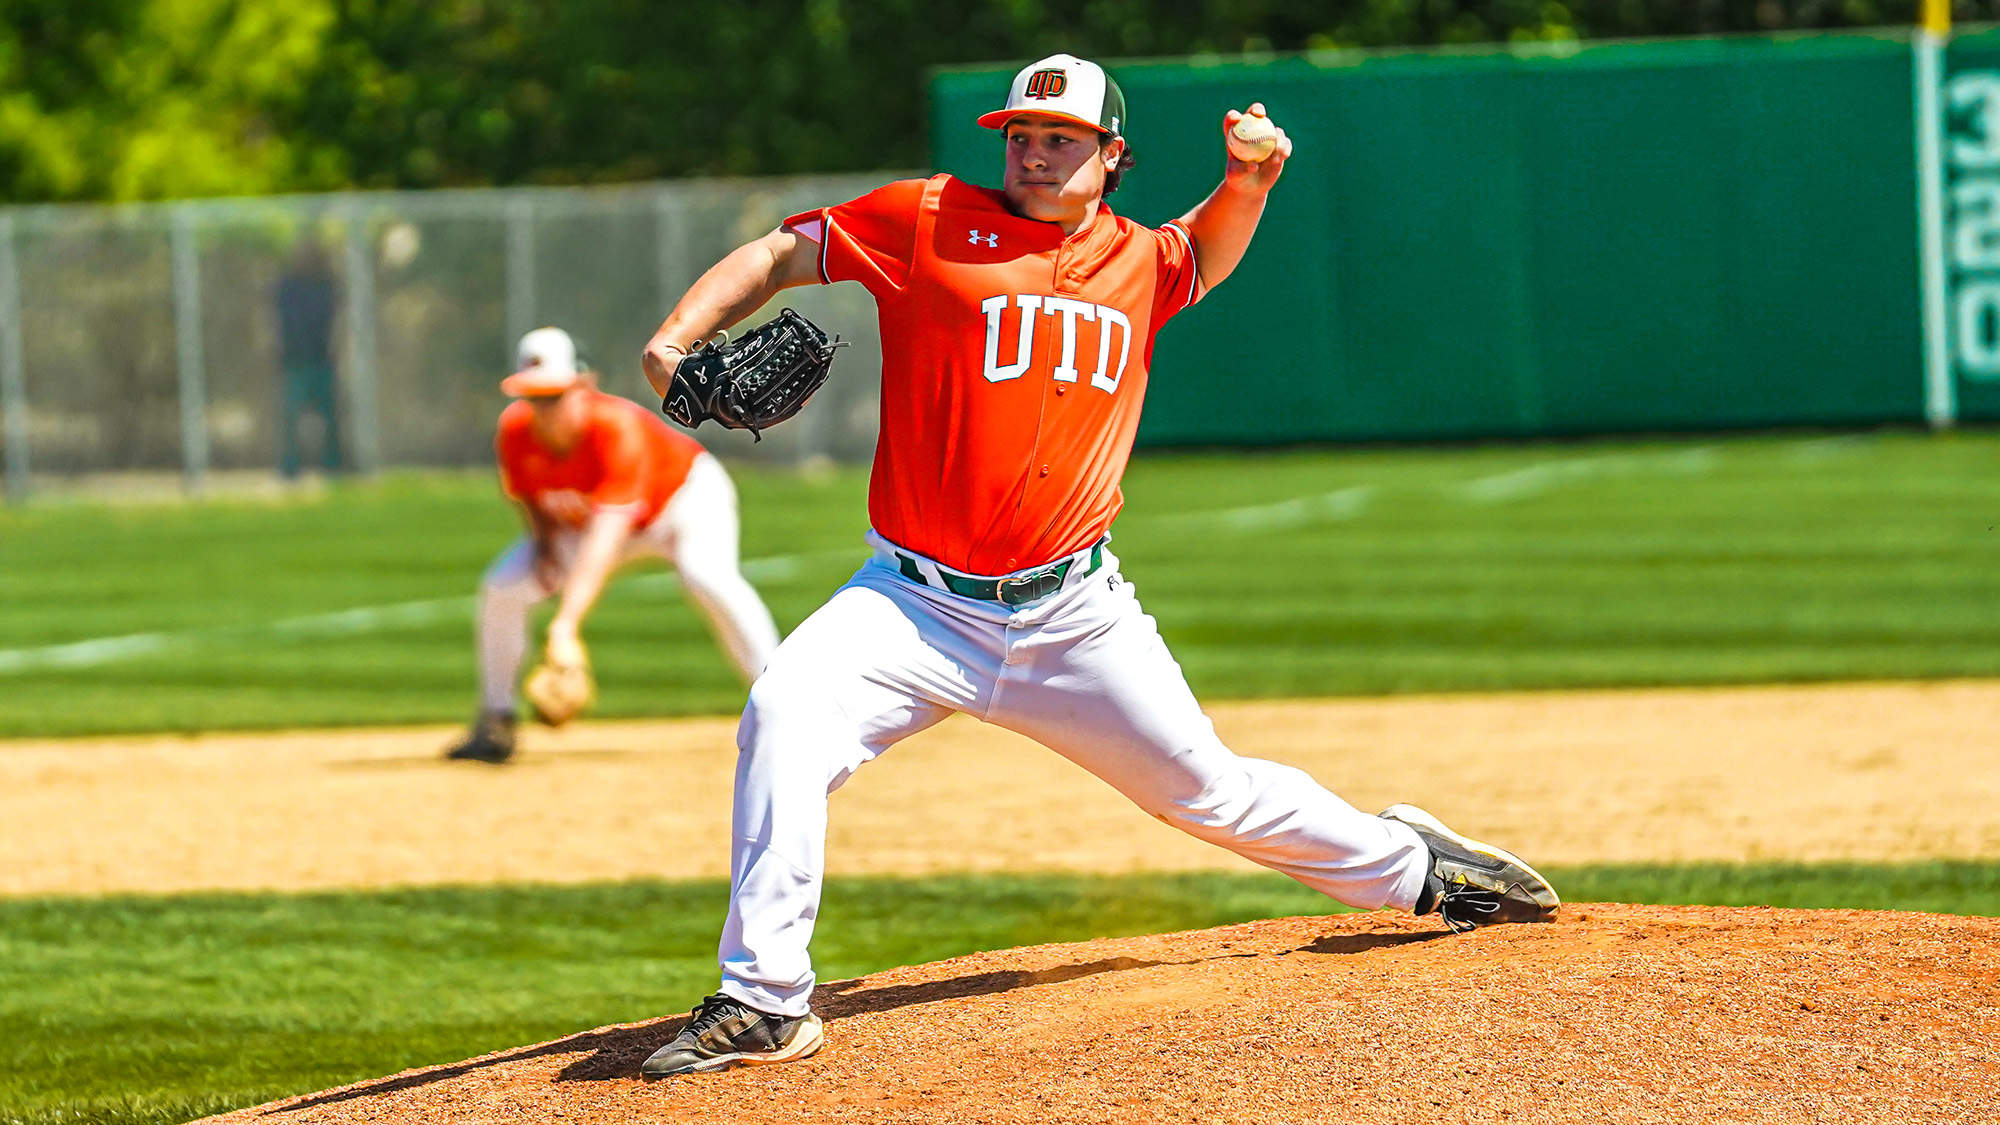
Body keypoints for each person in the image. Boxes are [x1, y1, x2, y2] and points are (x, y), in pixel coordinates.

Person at [633, 54, 1560, 1077]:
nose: (1032, 152)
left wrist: (1248, 179)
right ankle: (764, 999)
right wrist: (673, 343)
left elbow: (1205, 246)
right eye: (1019, 135)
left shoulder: (1141, 261)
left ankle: (1414, 868)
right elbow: (776, 254)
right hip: (910, 604)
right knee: (784, 716)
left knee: (1207, 796)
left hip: (1071, 617)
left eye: (1059, 138)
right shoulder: (925, 219)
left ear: (1110, 156)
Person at [444, 327, 782, 764]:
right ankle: (496, 723)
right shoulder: (514, 432)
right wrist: (545, 548)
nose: (543, 409)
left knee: (708, 577)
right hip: (593, 526)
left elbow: (604, 542)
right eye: (534, 397)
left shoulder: (616, 428)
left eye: (554, 396)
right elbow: (533, 503)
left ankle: (785, 707)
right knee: (504, 586)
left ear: (585, 386)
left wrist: (565, 628)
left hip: (685, 502)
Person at [274, 242, 343, 478]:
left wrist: (337, 346)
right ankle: (290, 468)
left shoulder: (325, 286)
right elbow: (275, 321)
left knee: (330, 416)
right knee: (291, 416)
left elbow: (337, 320)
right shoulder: (287, 288)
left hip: (322, 360)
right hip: (295, 362)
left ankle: (333, 466)